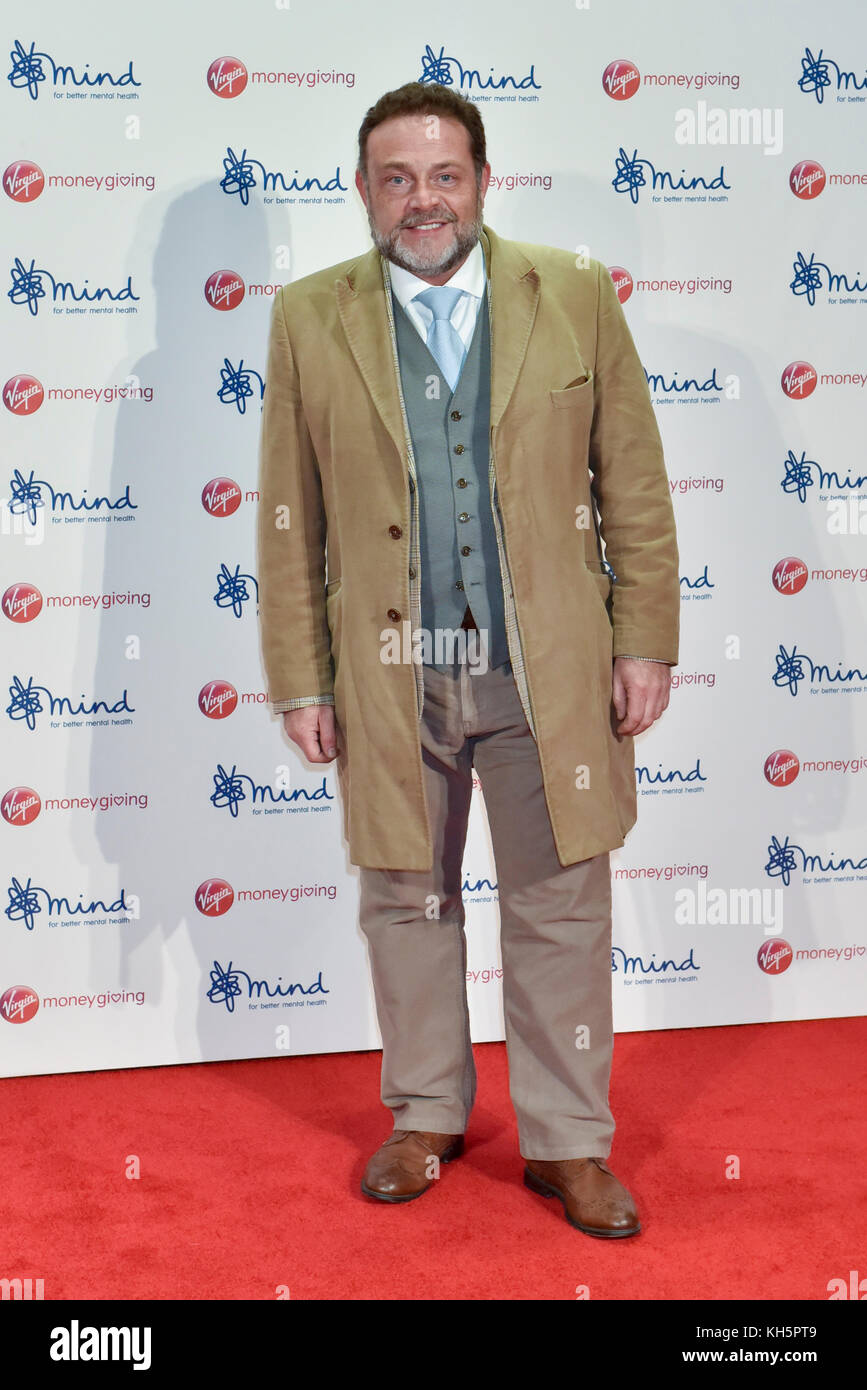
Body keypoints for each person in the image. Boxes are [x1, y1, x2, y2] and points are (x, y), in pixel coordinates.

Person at [256, 81, 679, 1238]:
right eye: (397, 178)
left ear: (484, 182)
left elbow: (631, 481)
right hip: (392, 668)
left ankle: (568, 1142)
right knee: (405, 895)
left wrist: (643, 637)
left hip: (544, 666)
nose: (422, 199)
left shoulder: (575, 296)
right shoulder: (308, 316)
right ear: (363, 191)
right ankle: (427, 1114)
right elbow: (290, 511)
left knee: (561, 904)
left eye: (445, 175)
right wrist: (301, 677)